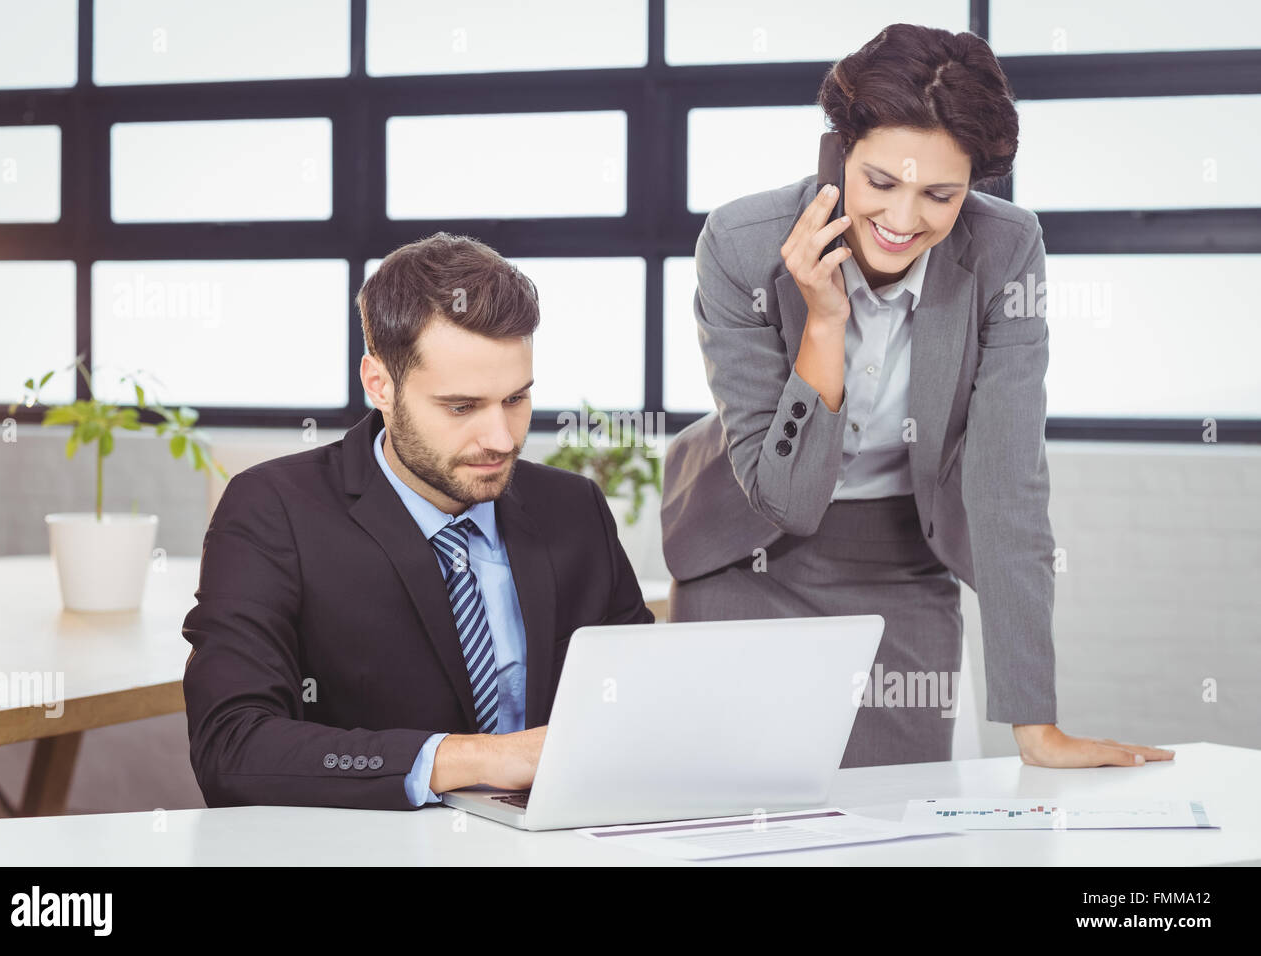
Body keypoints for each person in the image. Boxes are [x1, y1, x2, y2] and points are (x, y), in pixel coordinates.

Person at [661, 23, 1173, 771]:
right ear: (838, 152)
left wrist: (1036, 725)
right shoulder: (741, 245)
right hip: (750, 555)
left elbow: (1006, 485)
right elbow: (789, 499)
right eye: (880, 183)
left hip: (903, 563)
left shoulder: (1006, 251)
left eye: (940, 194)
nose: (903, 222)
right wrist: (825, 323)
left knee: (902, 817)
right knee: (737, 817)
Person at [182, 233, 654, 810]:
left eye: (516, 399)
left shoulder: (574, 508)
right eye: (461, 407)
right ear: (379, 384)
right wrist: (479, 759)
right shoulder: (273, 510)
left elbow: (640, 705)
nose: (501, 439)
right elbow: (232, 748)